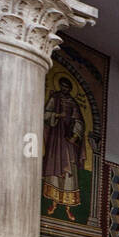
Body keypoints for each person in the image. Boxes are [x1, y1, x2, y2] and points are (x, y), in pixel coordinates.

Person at [42, 76, 85, 219]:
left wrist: (75, 134)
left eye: (67, 87)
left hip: (68, 140)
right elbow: (46, 114)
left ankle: (68, 208)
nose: (64, 89)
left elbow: (79, 121)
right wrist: (56, 115)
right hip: (56, 138)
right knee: (55, 168)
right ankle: (53, 203)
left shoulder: (73, 103)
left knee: (69, 170)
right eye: (63, 86)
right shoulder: (55, 98)